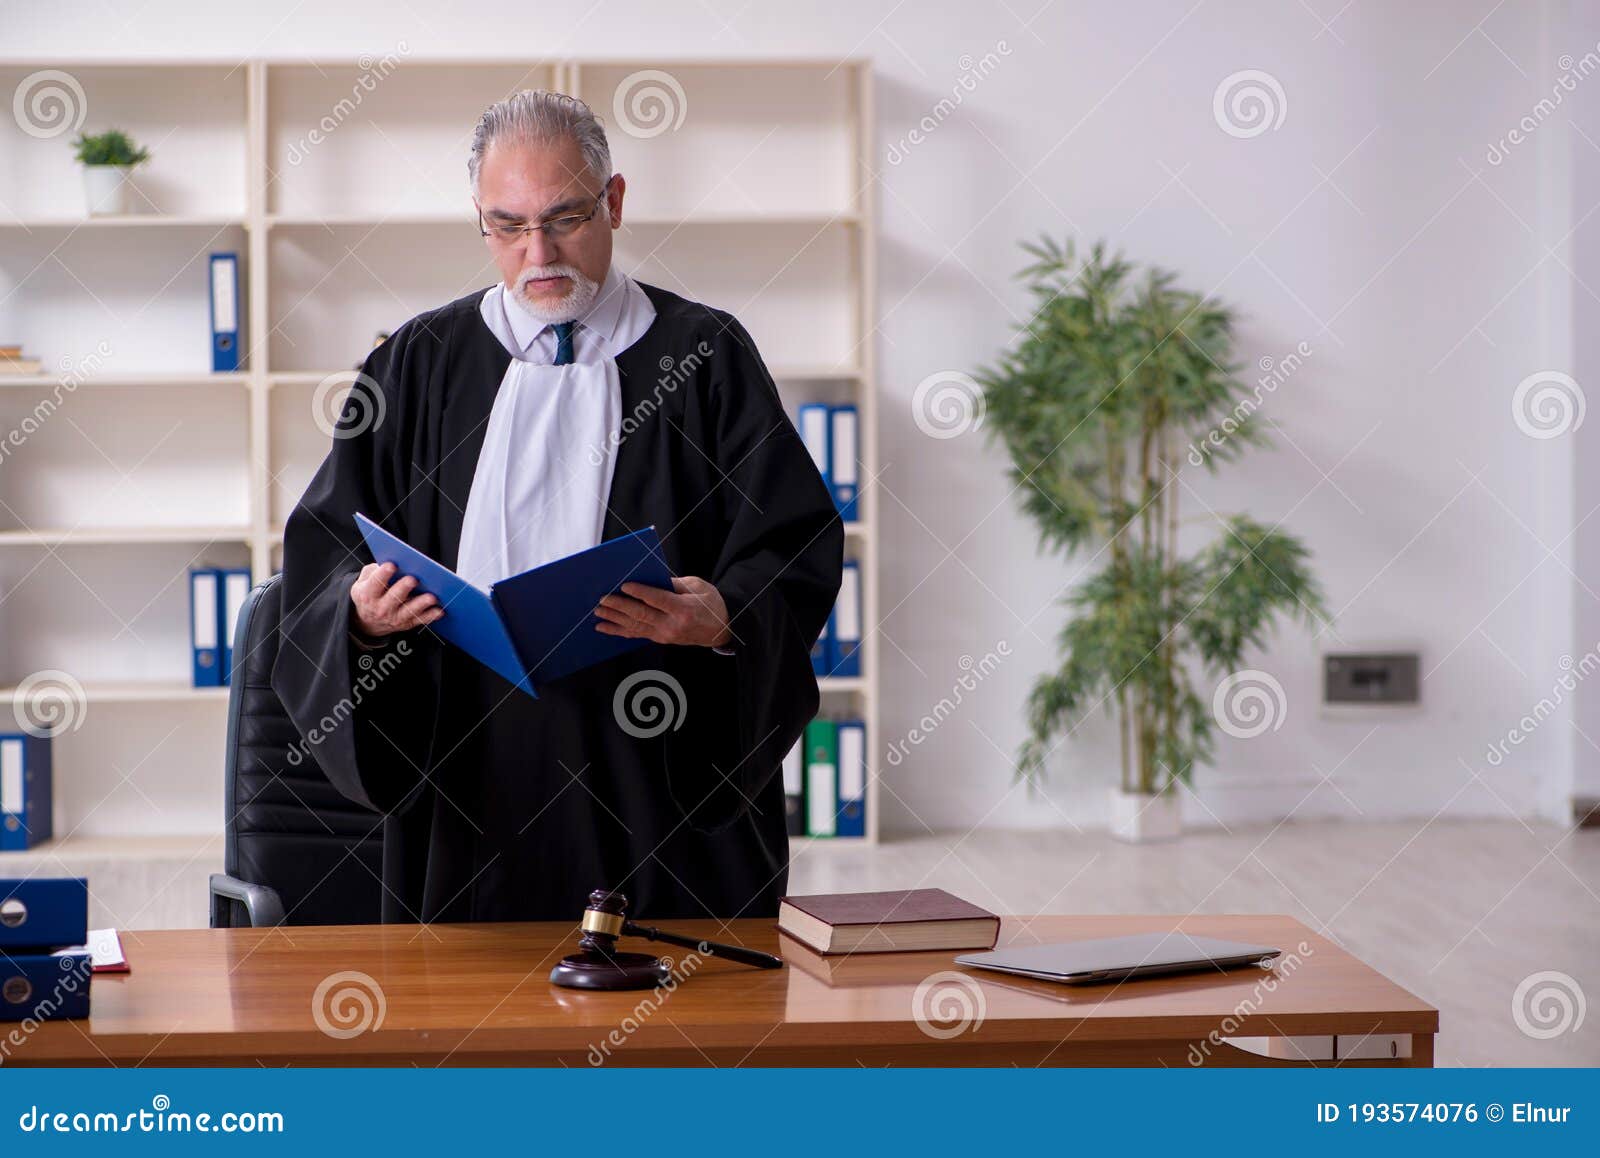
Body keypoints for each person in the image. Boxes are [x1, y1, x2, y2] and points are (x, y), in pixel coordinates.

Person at [270, 89, 843, 924]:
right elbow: (324, 553)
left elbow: (792, 545)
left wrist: (725, 619)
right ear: (480, 219)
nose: (538, 252)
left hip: (660, 780)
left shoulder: (708, 356)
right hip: (467, 783)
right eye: (507, 226)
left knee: (683, 1035)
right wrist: (359, 616)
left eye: (566, 218)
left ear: (614, 201)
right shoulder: (415, 365)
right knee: (471, 1036)